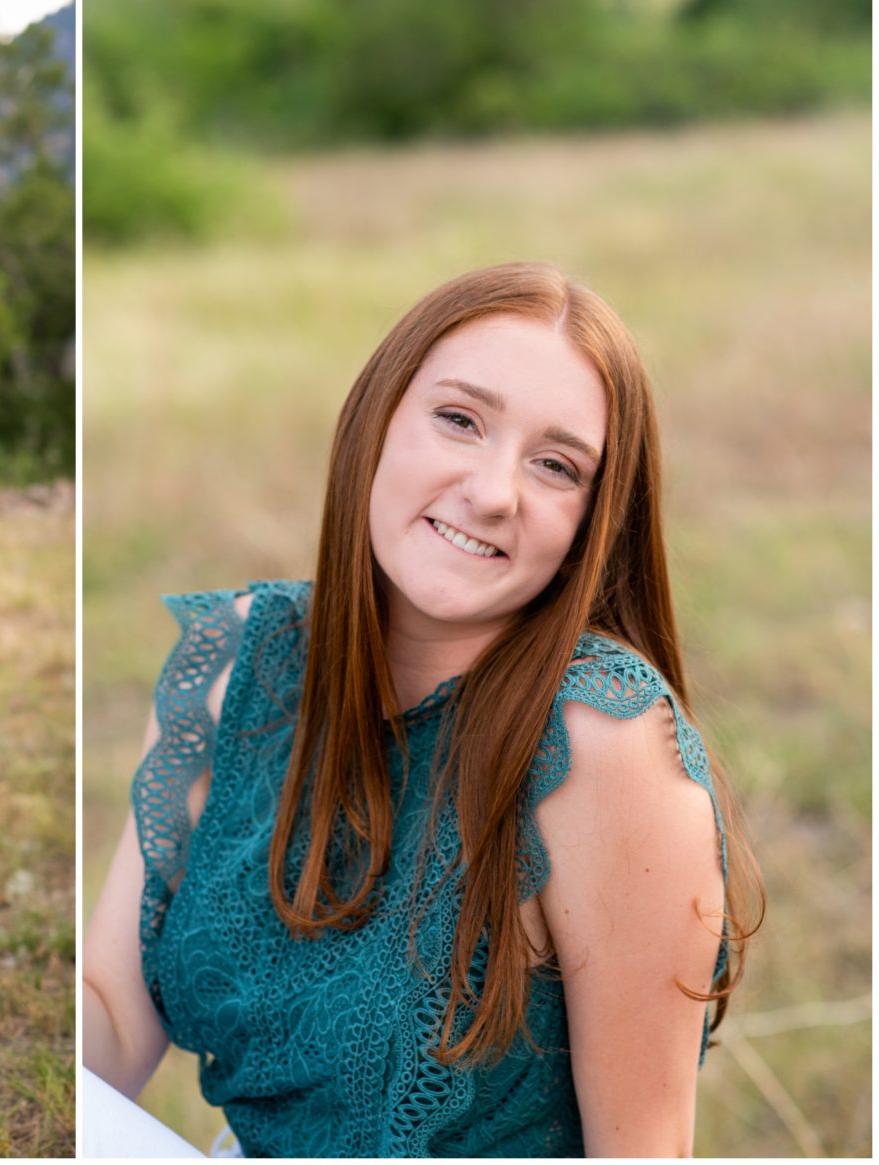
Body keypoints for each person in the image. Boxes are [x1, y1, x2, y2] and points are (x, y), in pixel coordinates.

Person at [82, 262, 763, 1157]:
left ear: (592, 523)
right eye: (459, 420)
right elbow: (113, 1017)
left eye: (556, 465)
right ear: (377, 419)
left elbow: (644, 1151)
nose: (492, 491)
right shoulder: (241, 659)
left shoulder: (606, 738)